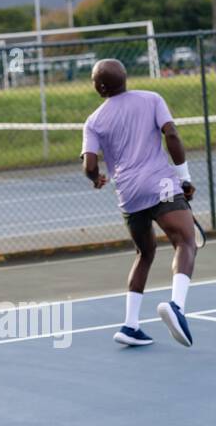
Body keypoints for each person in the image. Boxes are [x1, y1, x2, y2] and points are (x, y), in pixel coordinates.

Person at [81, 59, 197, 348]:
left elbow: (90, 164)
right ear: (125, 78)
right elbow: (171, 134)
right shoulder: (152, 98)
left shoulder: (93, 121)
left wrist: (96, 179)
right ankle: (176, 307)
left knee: (144, 253)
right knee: (185, 241)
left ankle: (130, 325)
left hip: (129, 195)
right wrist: (183, 178)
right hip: (162, 186)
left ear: (99, 86)